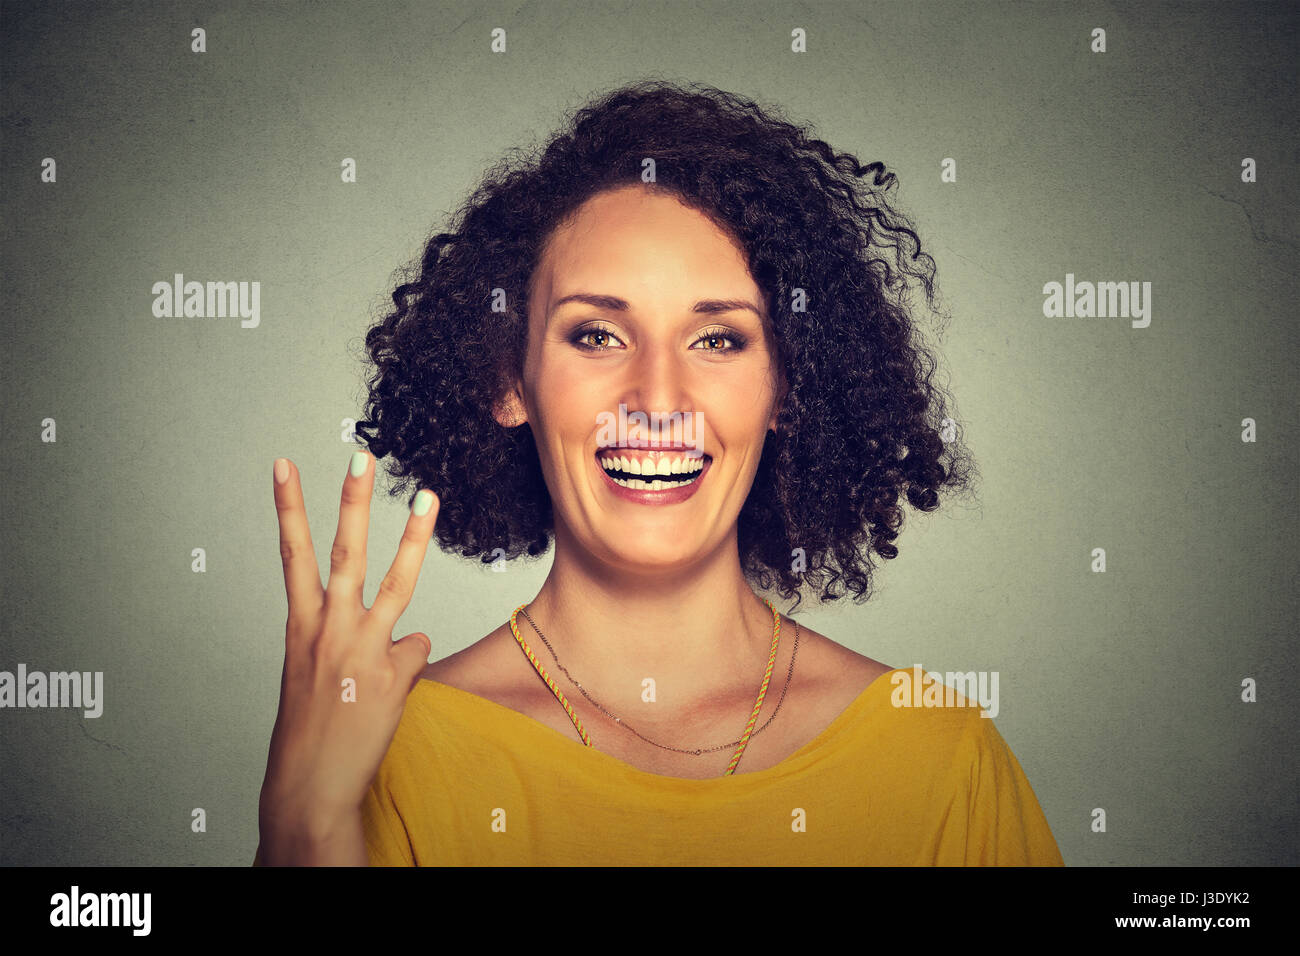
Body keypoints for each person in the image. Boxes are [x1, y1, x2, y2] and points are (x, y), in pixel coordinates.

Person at [254, 80, 1063, 866]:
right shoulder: (384, 757)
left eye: (718, 340)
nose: (657, 401)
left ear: (789, 387)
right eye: (597, 335)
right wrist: (307, 822)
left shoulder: (937, 758)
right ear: (508, 380)